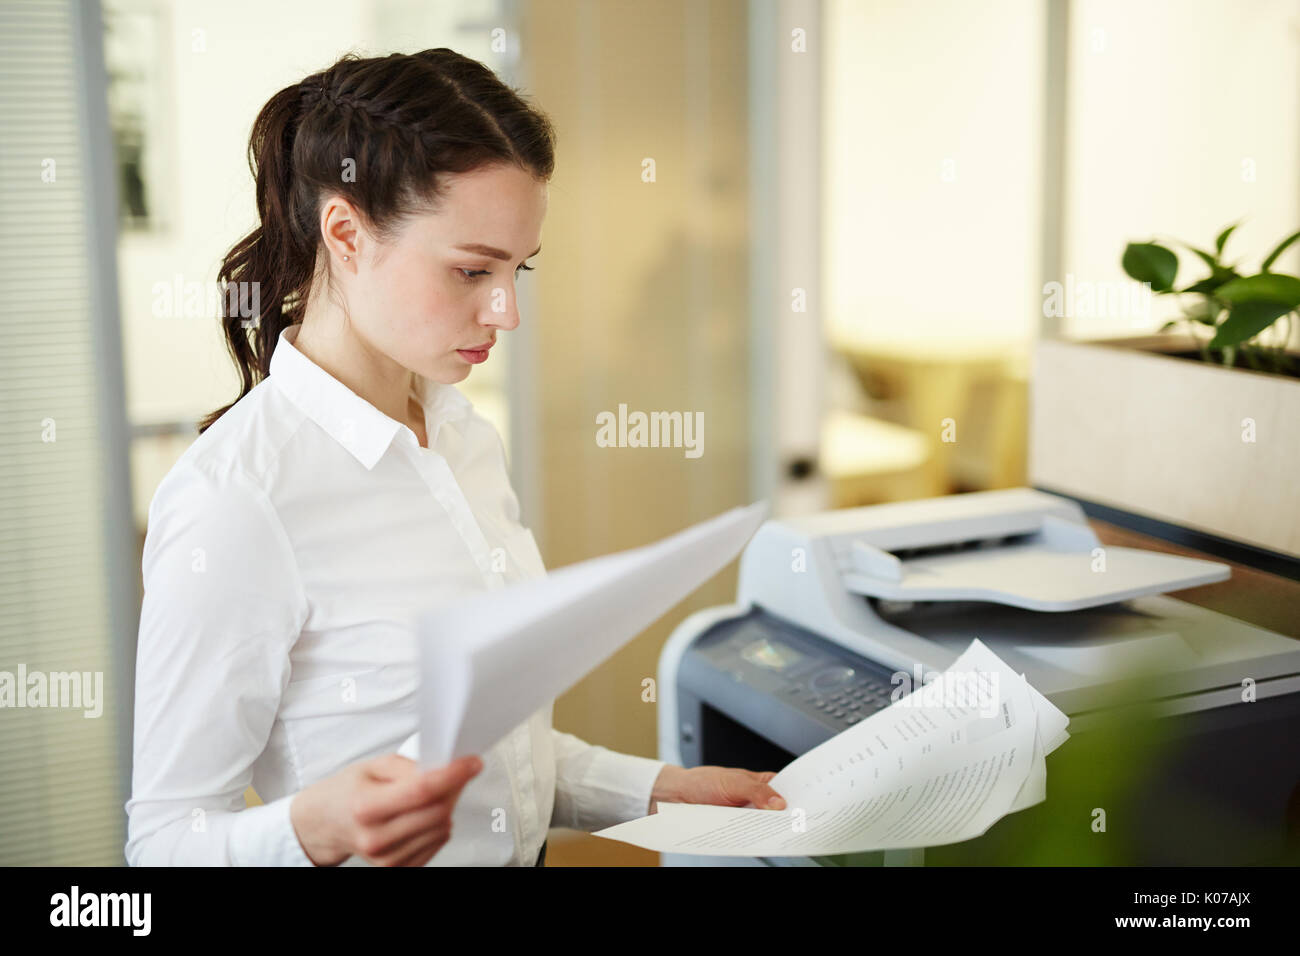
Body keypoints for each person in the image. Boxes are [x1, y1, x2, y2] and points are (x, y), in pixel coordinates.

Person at [125, 48, 785, 867]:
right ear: (345, 233)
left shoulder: (465, 437)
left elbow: (497, 748)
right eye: (472, 269)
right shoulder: (236, 498)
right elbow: (161, 841)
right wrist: (309, 830)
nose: (505, 311)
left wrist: (652, 791)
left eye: (518, 270)